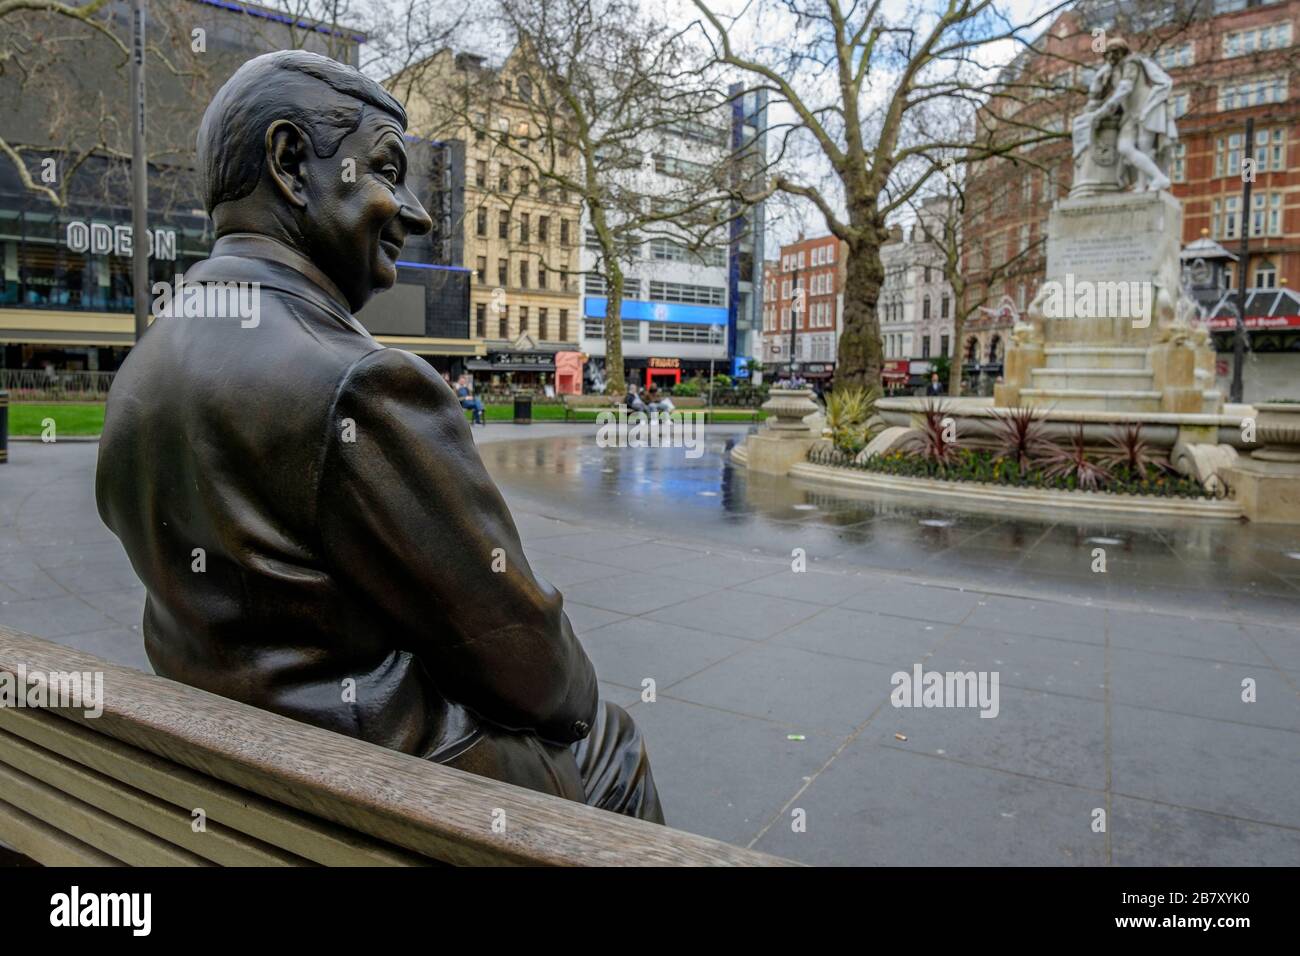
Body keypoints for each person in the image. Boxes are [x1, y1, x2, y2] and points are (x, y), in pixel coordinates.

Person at [94, 50, 662, 822]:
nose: (417, 212)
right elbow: (529, 663)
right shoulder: (357, 381)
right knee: (610, 743)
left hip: (235, 783)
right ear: (292, 163)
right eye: (386, 172)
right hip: (378, 795)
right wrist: (580, 706)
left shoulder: (140, 375)